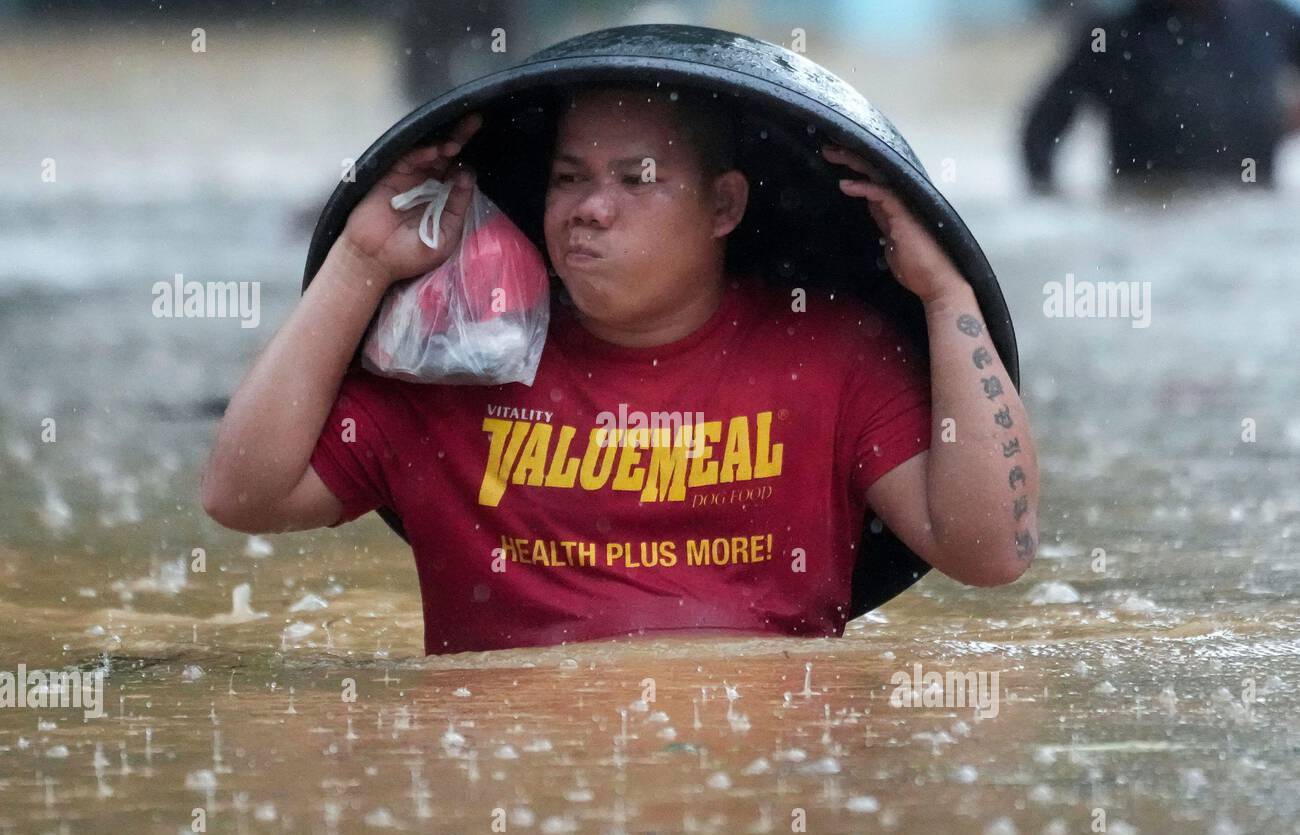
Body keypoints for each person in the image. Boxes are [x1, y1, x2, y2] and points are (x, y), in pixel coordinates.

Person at [202, 83, 1039, 654]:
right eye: (569, 178)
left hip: (757, 788)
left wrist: (944, 289)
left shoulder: (830, 353)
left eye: (635, 178)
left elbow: (993, 551)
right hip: (511, 784)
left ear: (724, 207)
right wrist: (358, 260)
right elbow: (243, 494)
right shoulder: (460, 366)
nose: (588, 207)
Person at [1022, 0, 1300, 191]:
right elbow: (1039, 133)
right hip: (1149, 227)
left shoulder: (1267, 21)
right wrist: (1056, 212)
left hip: (1254, 218)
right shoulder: (1112, 37)